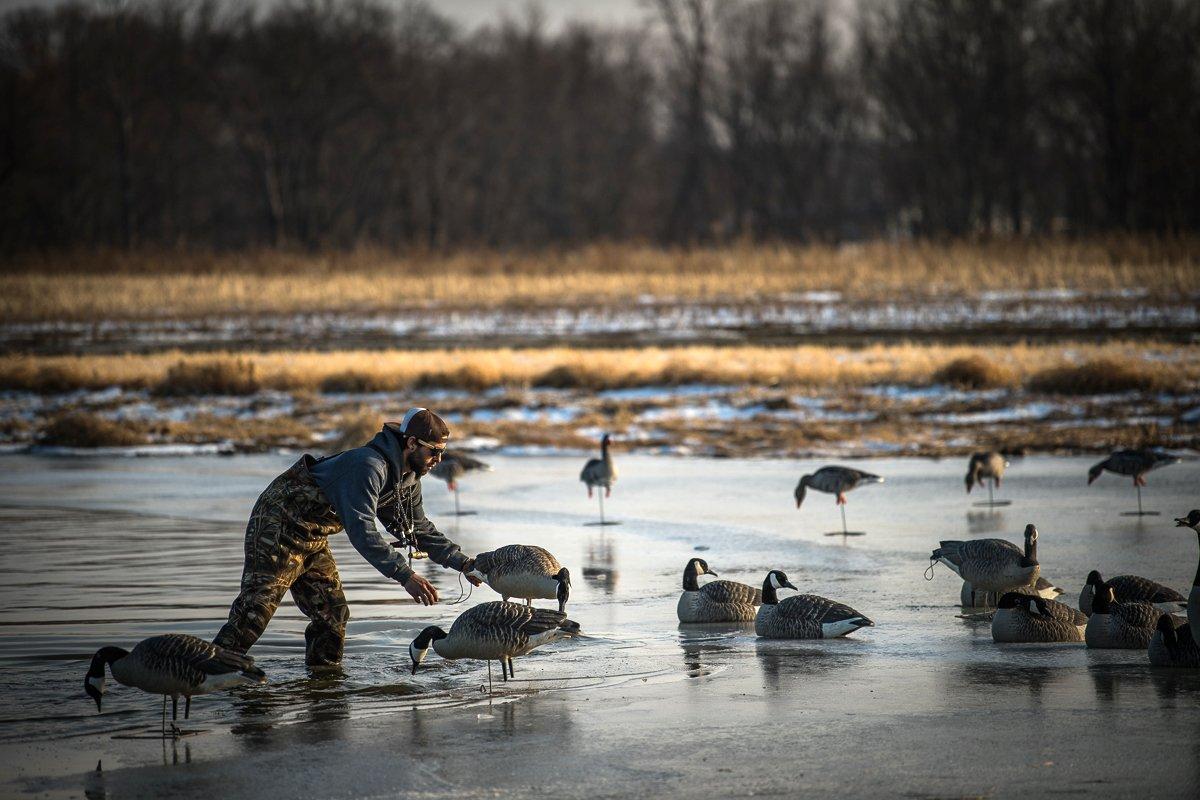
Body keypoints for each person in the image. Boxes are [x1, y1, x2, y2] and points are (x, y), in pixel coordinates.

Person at [213, 407, 479, 666]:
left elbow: (419, 529)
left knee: (333, 615)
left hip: (313, 537)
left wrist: (464, 563)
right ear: (411, 443)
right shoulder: (368, 466)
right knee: (255, 613)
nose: (439, 460)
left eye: (442, 452)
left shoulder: (409, 478)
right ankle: (202, 673)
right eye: (434, 451)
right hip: (278, 524)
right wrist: (405, 575)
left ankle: (323, 687)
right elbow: (361, 529)